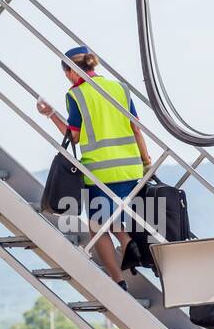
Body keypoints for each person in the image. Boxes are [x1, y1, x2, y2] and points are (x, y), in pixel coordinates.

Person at [36, 47, 149, 288]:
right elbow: (136, 127)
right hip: (131, 168)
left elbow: (74, 137)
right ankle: (128, 243)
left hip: (100, 170)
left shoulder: (77, 94)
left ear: (69, 71)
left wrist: (50, 114)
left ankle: (118, 280)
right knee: (113, 215)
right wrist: (147, 160)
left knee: (97, 227)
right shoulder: (120, 88)